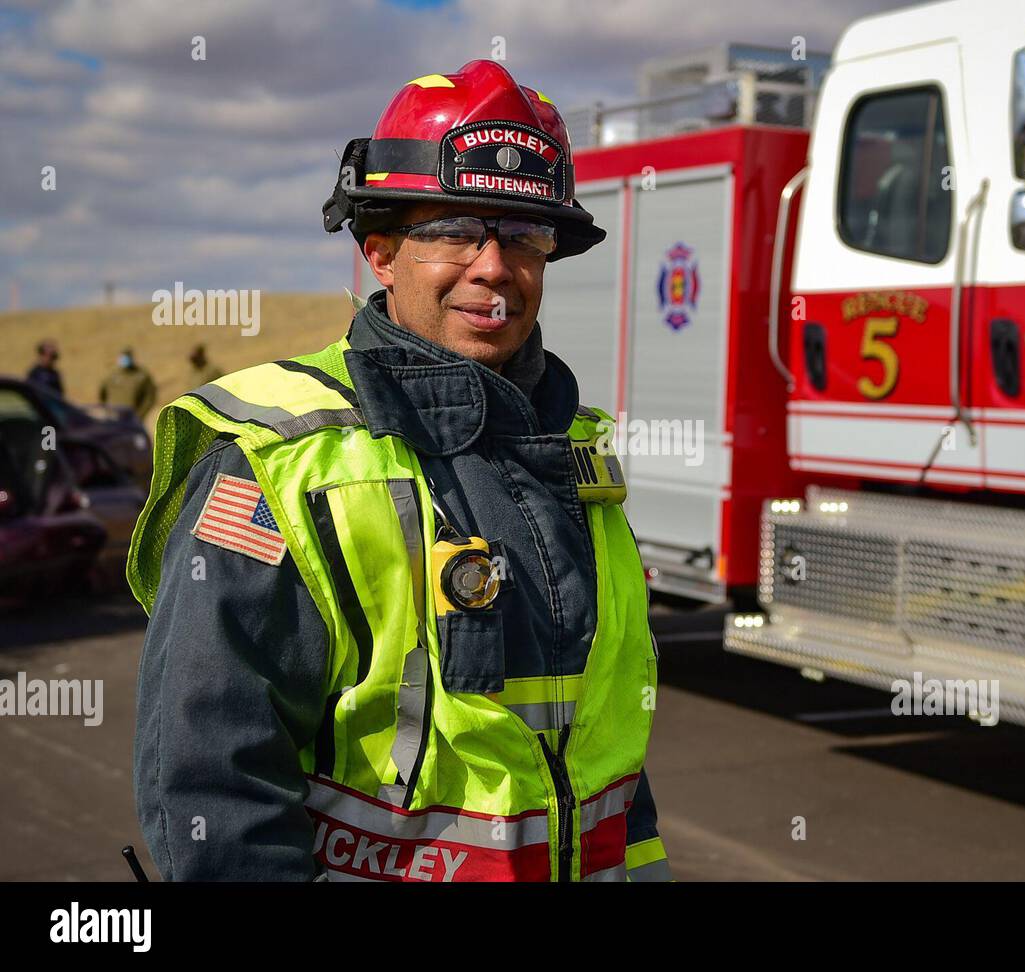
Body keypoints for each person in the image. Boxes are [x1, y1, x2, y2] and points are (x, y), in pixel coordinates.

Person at [126, 59, 671, 882]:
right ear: (380, 253)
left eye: (523, 235)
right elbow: (212, 785)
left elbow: (602, 758)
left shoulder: (578, 459)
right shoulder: (281, 461)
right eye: (454, 229)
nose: (494, 266)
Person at [100, 348, 156, 419]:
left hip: (132, 417)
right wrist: (106, 411)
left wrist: (140, 414)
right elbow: (102, 394)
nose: (125, 359)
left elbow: (150, 397)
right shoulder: (112, 375)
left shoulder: (142, 376)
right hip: (113, 416)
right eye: (123, 357)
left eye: (127, 357)